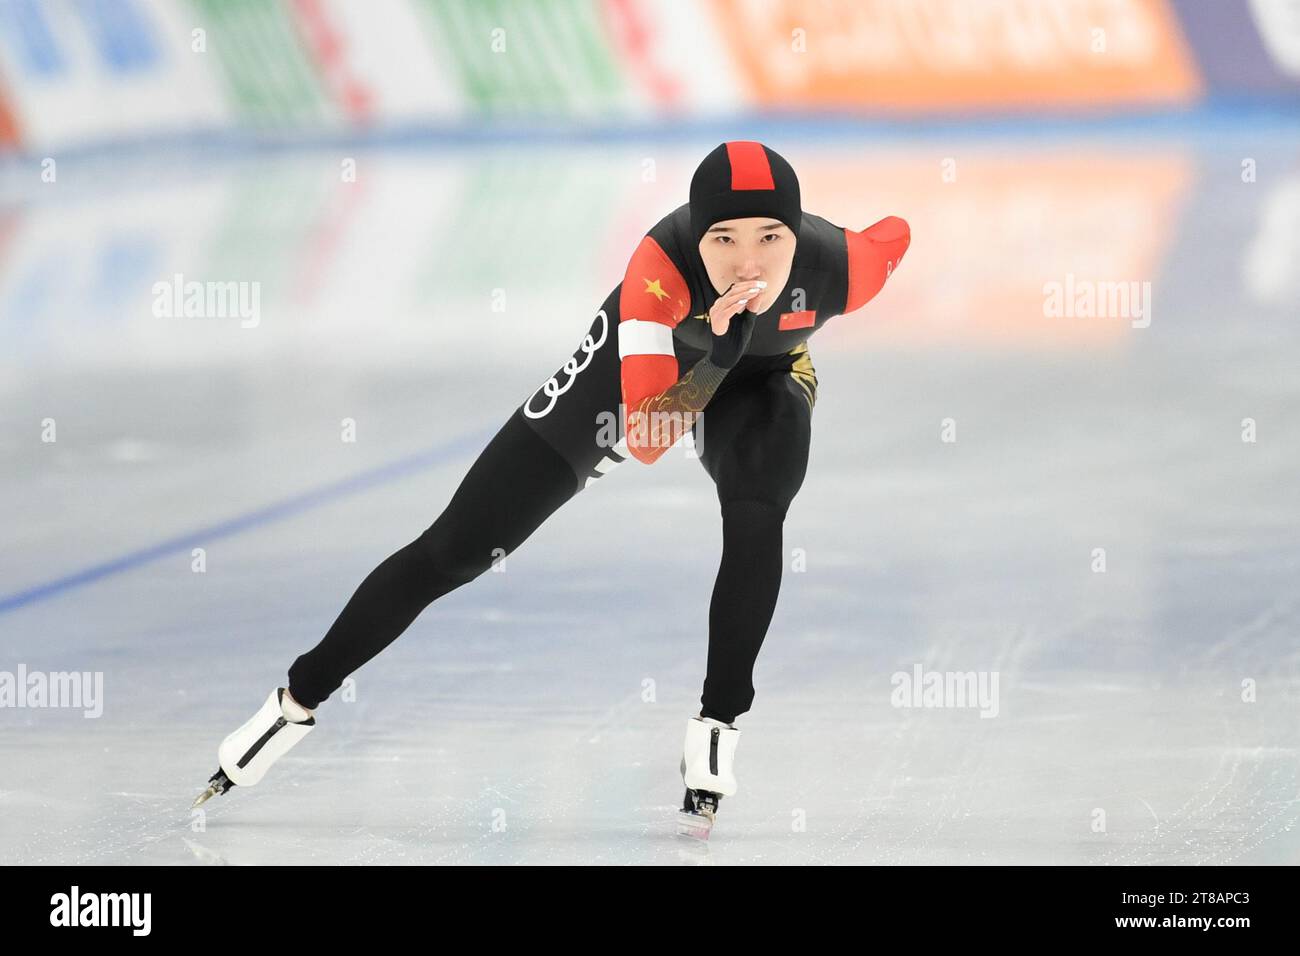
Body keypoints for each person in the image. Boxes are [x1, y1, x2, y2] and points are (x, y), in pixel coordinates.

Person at [193, 141, 910, 838]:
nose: (747, 262)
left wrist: (741, 356)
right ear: (696, 235)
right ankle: (293, 702)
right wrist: (719, 350)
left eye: (770, 236)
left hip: (766, 379)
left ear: (798, 232)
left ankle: (719, 721)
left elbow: (894, 236)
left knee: (758, 510)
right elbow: (652, 439)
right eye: (722, 238)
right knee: (456, 551)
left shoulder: (845, 266)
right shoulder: (656, 276)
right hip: (644, 381)